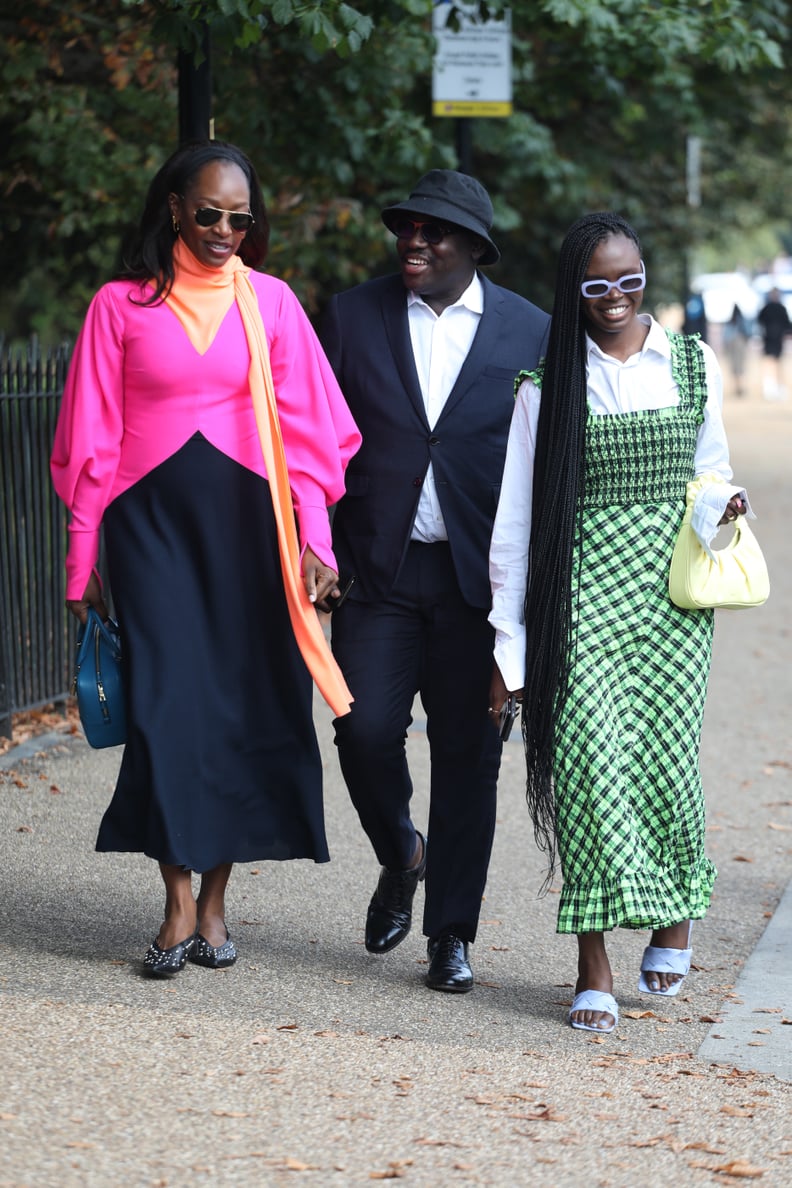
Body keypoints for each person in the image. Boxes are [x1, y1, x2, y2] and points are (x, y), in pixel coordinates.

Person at [51, 140, 361, 977]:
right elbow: (88, 441)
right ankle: (175, 897)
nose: (226, 229)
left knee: (247, 709)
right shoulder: (119, 306)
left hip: (249, 530)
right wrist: (83, 564)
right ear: (175, 210)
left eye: (241, 217)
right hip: (148, 531)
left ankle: (215, 904)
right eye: (210, 213)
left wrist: (315, 542)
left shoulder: (273, 304)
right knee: (164, 707)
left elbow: (309, 436)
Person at [488, 212, 749, 1032]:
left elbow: (711, 475)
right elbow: (514, 526)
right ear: (575, 289)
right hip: (582, 599)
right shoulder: (547, 386)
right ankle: (592, 959)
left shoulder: (692, 364)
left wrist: (723, 508)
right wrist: (508, 645)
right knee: (591, 772)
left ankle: (675, 915)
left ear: (647, 278)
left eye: (629, 281)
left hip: (672, 601)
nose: (615, 298)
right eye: (597, 285)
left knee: (667, 765)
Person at [320, 169, 550, 993]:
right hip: (377, 573)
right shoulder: (351, 315)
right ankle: (400, 853)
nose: (414, 241)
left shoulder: (532, 333)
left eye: (435, 232)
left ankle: (451, 934)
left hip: (478, 586)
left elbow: (551, 467)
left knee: (468, 760)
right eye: (406, 227)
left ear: (475, 249)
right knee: (364, 731)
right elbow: (315, 441)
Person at [757, 287, 791, 400]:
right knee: (769, 362)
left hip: (777, 340)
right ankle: (769, 387)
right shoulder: (768, 308)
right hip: (769, 339)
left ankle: (778, 386)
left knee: (777, 363)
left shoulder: (779, 308)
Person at [722, 303, 749, 398]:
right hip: (740, 344)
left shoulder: (729, 323)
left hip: (732, 345)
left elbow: (725, 336)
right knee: (741, 367)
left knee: (734, 367)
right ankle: (741, 387)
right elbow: (747, 333)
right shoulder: (741, 321)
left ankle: (736, 387)